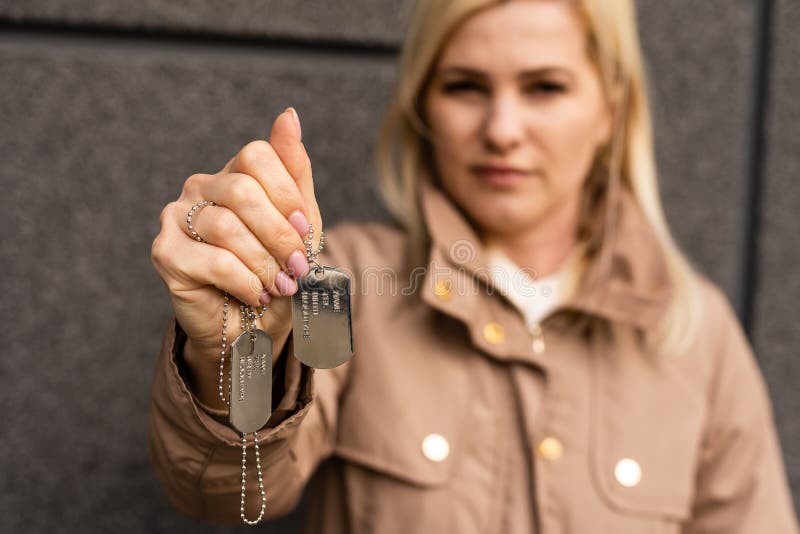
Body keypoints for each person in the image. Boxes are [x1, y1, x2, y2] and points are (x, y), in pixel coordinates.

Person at [148, 0, 799, 532]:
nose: (502, 129)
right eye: (465, 86)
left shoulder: (693, 331)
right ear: (423, 105)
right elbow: (227, 495)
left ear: (611, 107)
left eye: (545, 86)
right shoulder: (342, 280)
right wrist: (231, 360)